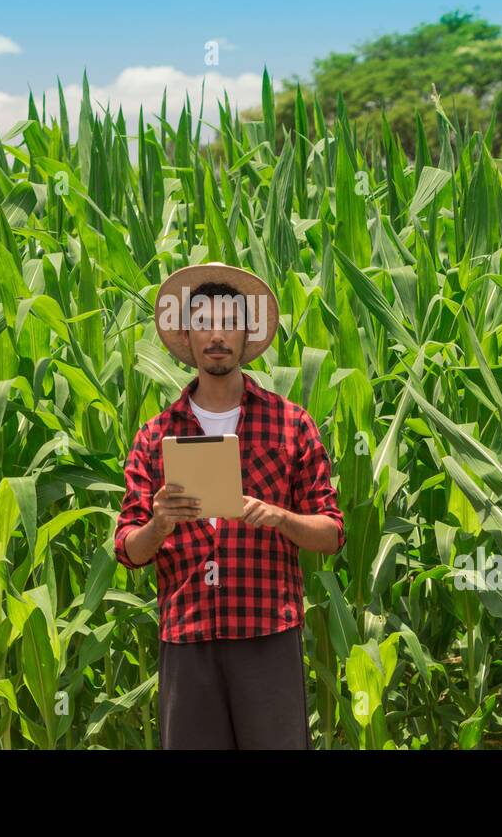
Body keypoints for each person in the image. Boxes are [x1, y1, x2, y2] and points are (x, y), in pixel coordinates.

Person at [114, 261, 345, 749]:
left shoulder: (291, 425)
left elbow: (332, 534)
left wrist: (279, 517)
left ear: (246, 335)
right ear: (189, 337)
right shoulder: (156, 436)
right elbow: (129, 549)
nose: (216, 336)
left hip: (267, 633)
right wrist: (159, 524)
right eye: (203, 323)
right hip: (188, 638)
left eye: (228, 324)